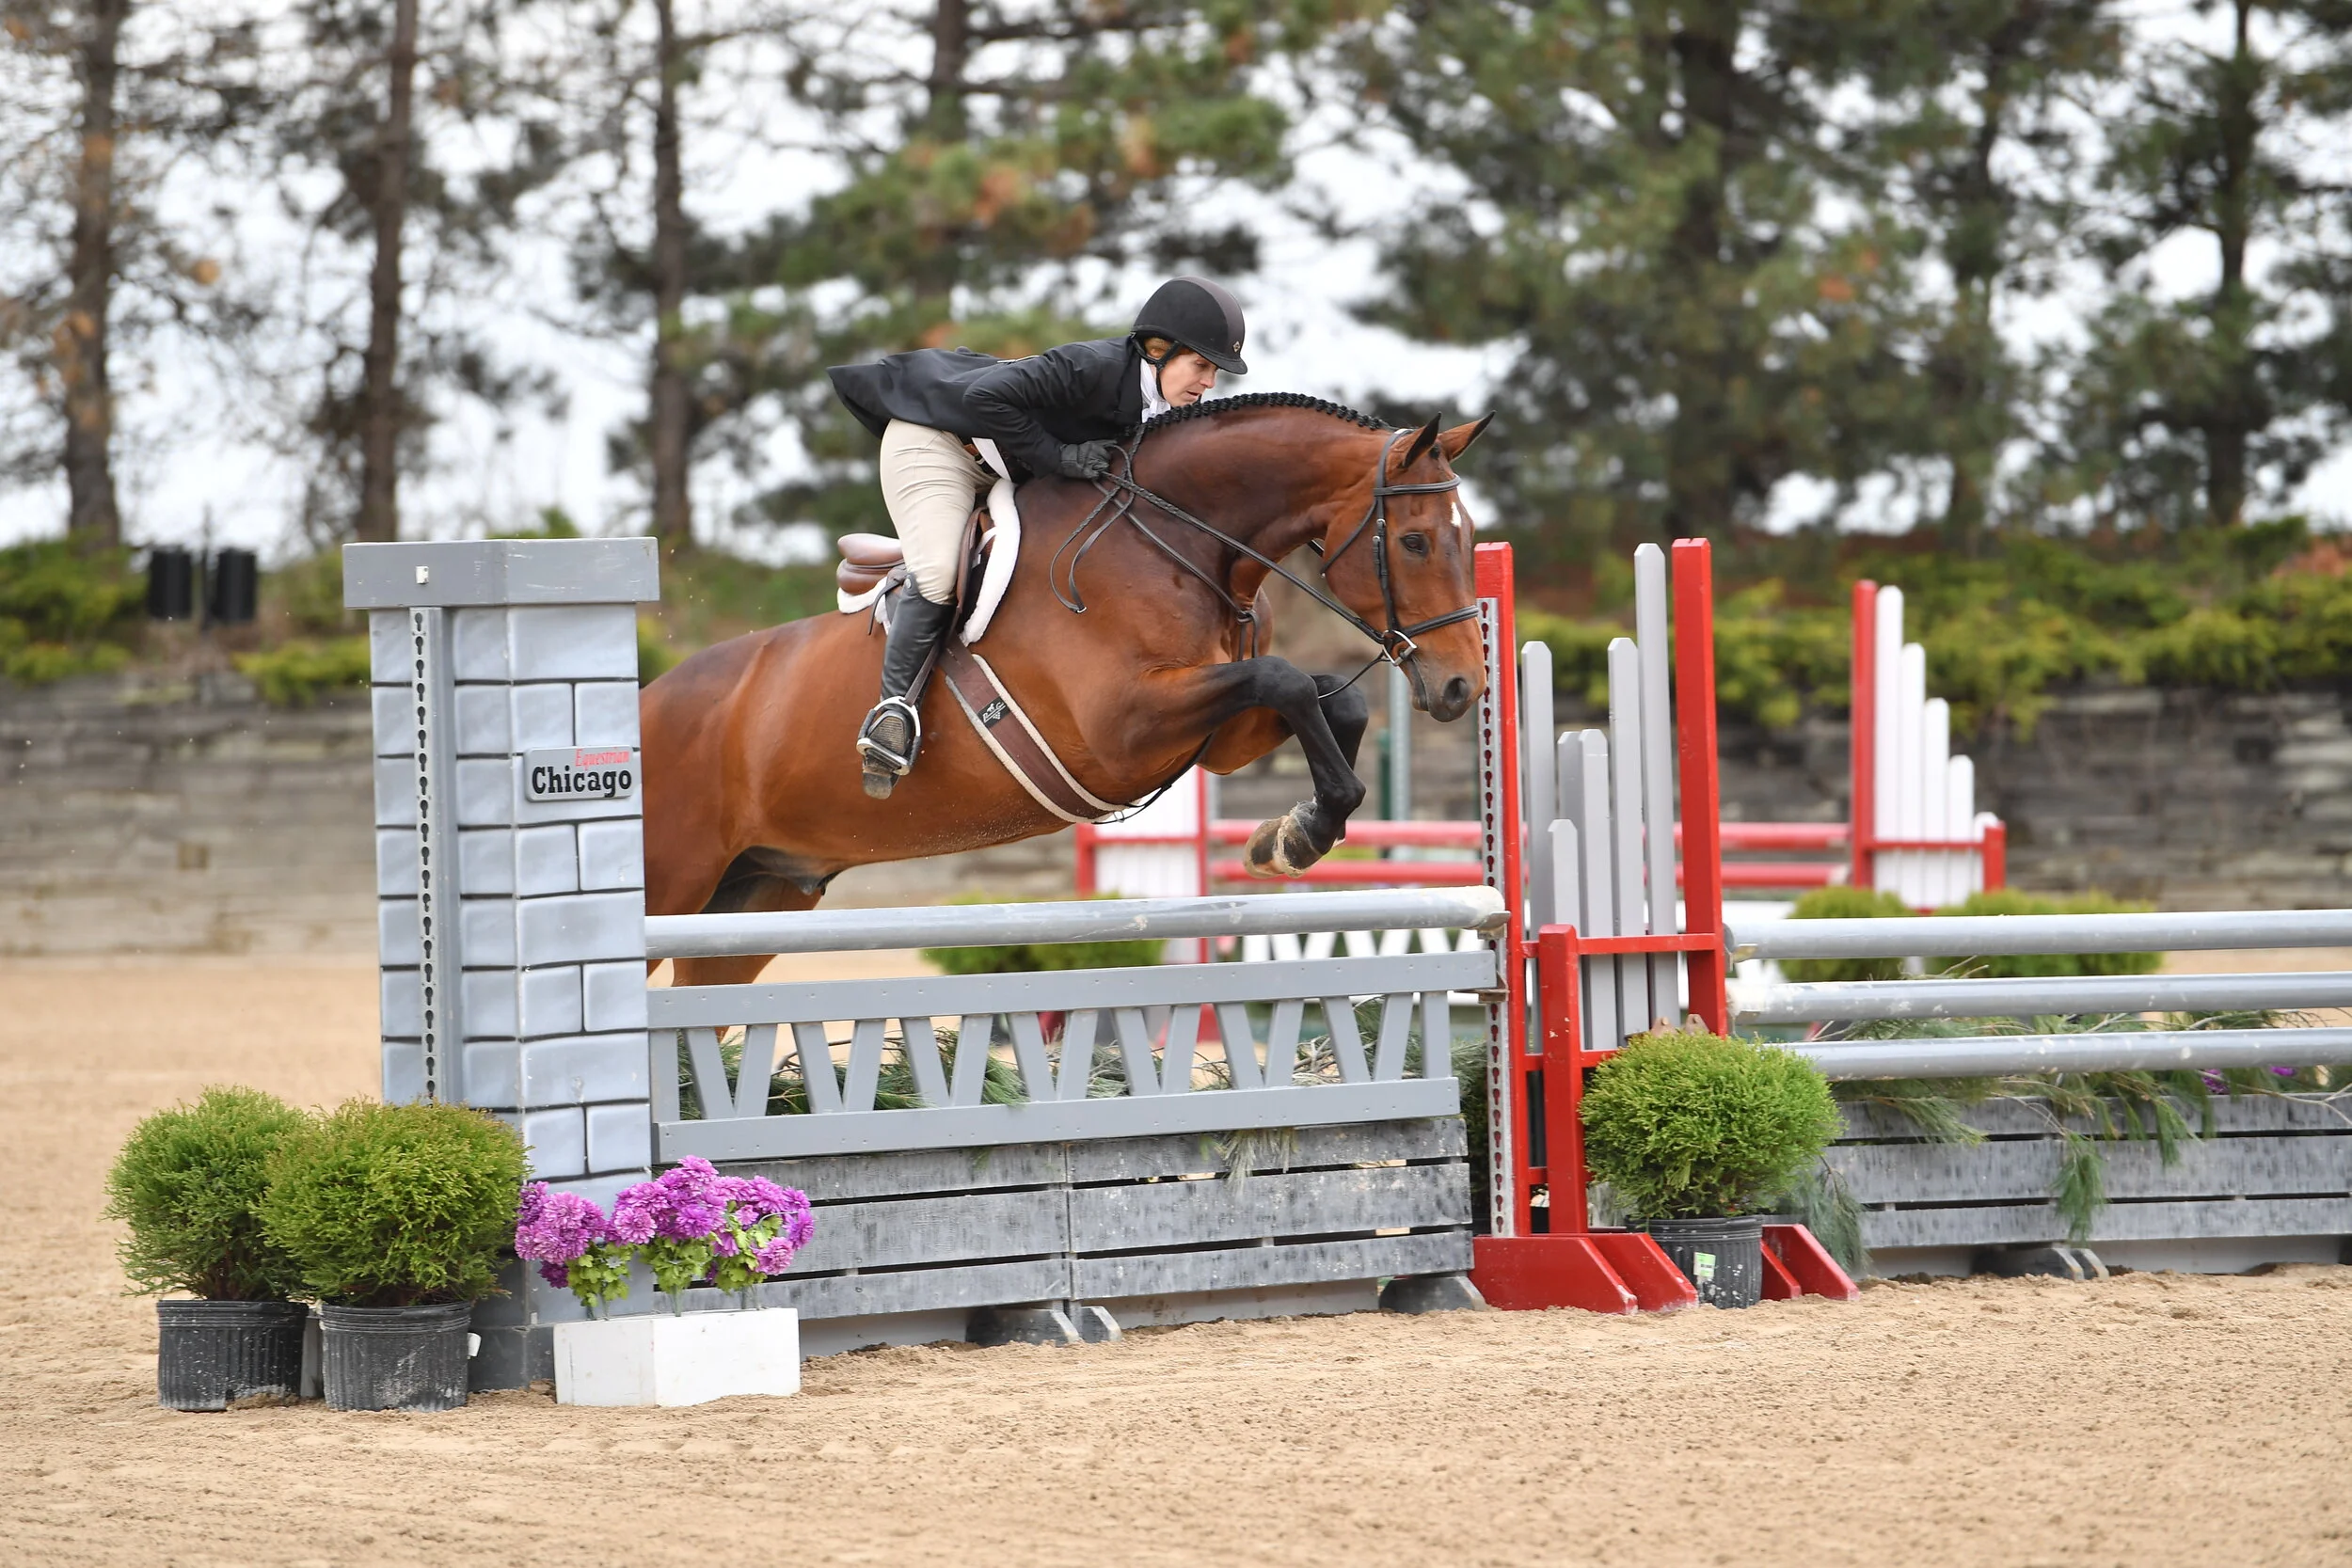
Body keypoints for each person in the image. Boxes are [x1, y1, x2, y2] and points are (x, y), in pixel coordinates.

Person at [826, 276, 1248, 798]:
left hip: (1006, 467)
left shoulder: (1163, 410)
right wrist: (1061, 458)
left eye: (1214, 372)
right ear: (1158, 351)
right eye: (1202, 366)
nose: (1208, 383)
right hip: (938, 444)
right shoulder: (1090, 367)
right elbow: (985, 399)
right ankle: (893, 714)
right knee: (937, 572)